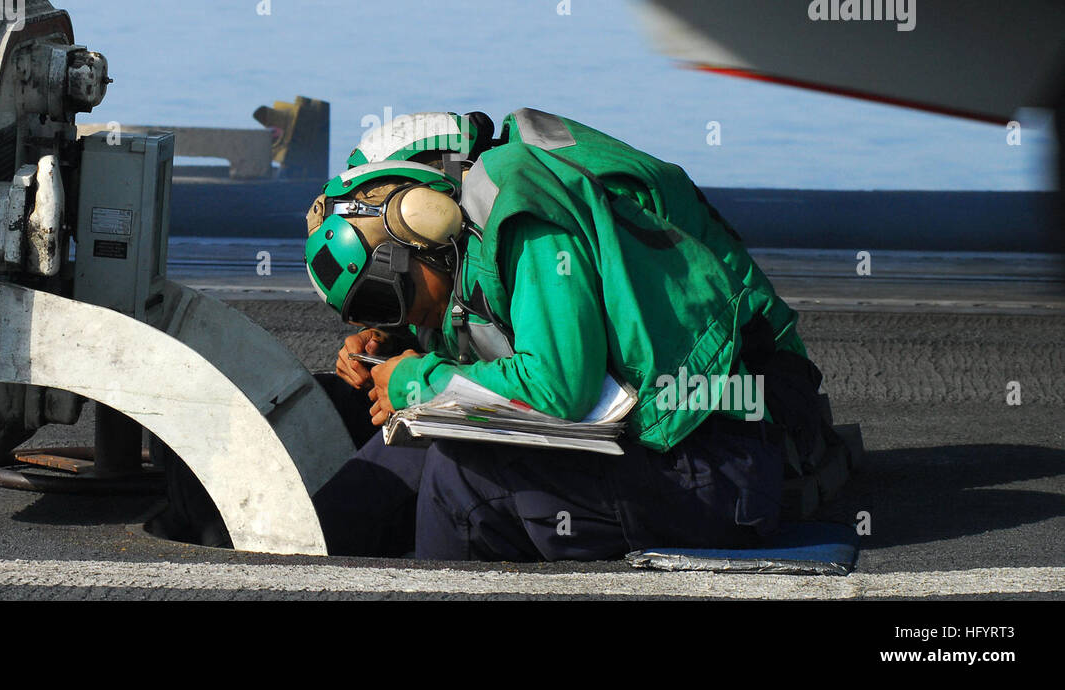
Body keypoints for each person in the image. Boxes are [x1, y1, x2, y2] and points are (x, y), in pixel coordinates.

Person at [304, 108, 834, 561]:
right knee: (406, 436)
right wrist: (399, 353)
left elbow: (561, 387)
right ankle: (299, 561)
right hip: (691, 433)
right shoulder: (491, 220)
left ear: (425, 207)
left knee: (457, 478)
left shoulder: (526, 211)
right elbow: (496, 329)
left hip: (730, 444)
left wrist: (419, 379)